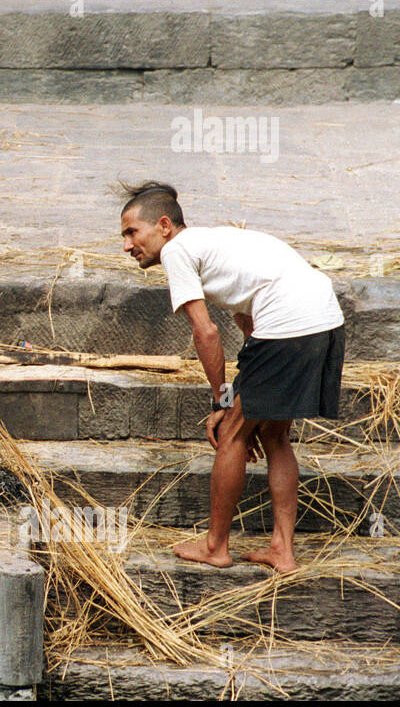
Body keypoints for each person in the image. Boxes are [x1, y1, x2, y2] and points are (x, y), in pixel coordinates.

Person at [118, 181, 345, 573]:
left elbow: (205, 333)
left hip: (289, 323)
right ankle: (282, 550)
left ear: (164, 226)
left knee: (232, 434)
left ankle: (215, 547)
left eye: (131, 232)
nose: (126, 246)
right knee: (274, 434)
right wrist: (242, 392)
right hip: (325, 318)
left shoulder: (177, 252)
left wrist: (223, 403)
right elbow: (247, 323)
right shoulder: (217, 243)